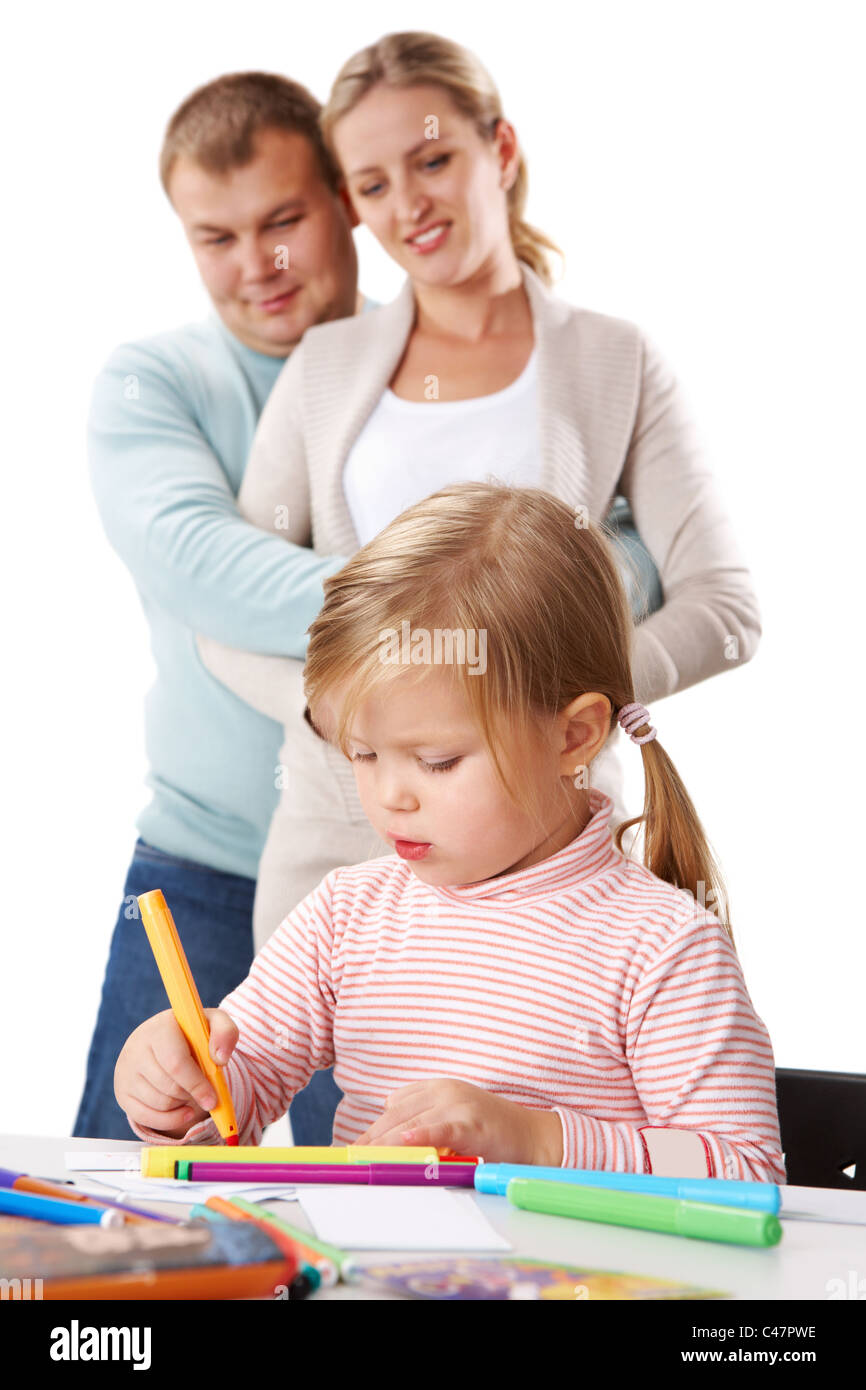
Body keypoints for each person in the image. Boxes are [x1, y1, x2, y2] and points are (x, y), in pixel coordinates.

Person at [198, 30, 758, 957]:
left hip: (552, 848)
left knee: (541, 1102)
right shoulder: (326, 368)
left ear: (499, 151)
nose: (408, 204)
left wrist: (553, 700)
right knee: (353, 1103)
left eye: (432, 160)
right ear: (352, 205)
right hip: (342, 838)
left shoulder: (614, 360)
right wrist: (337, 714)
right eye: (373, 185)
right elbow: (227, 610)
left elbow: (727, 605)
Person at [116, 482, 784, 1183]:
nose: (390, 795)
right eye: (363, 754)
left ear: (574, 735)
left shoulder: (662, 946)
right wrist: (178, 1083)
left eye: (437, 761)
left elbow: (744, 1170)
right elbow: (233, 1096)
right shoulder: (345, 918)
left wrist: (535, 1138)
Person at [74, 71, 373, 1143]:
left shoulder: (433, 359)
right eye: (215, 237)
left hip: (396, 887)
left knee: (390, 1229)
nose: (256, 265)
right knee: (122, 1232)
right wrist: (449, 605)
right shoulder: (153, 381)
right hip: (196, 875)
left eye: (282, 220)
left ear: (345, 195)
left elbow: (604, 554)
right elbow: (197, 563)